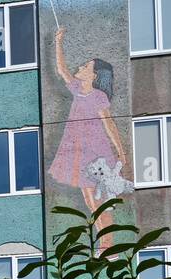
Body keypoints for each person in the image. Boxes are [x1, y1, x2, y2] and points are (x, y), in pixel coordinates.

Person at [49, 27, 127, 251]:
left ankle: (107, 244)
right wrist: (58, 42)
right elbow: (62, 69)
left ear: (94, 76)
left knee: (97, 201)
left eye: (85, 66)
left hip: (95, 153)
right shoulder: (76, 89)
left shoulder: (98, 96)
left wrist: (120, 152)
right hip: (78, 152)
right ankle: (105, 242)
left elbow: (109, 123)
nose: (80, 67)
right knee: (90, 201)